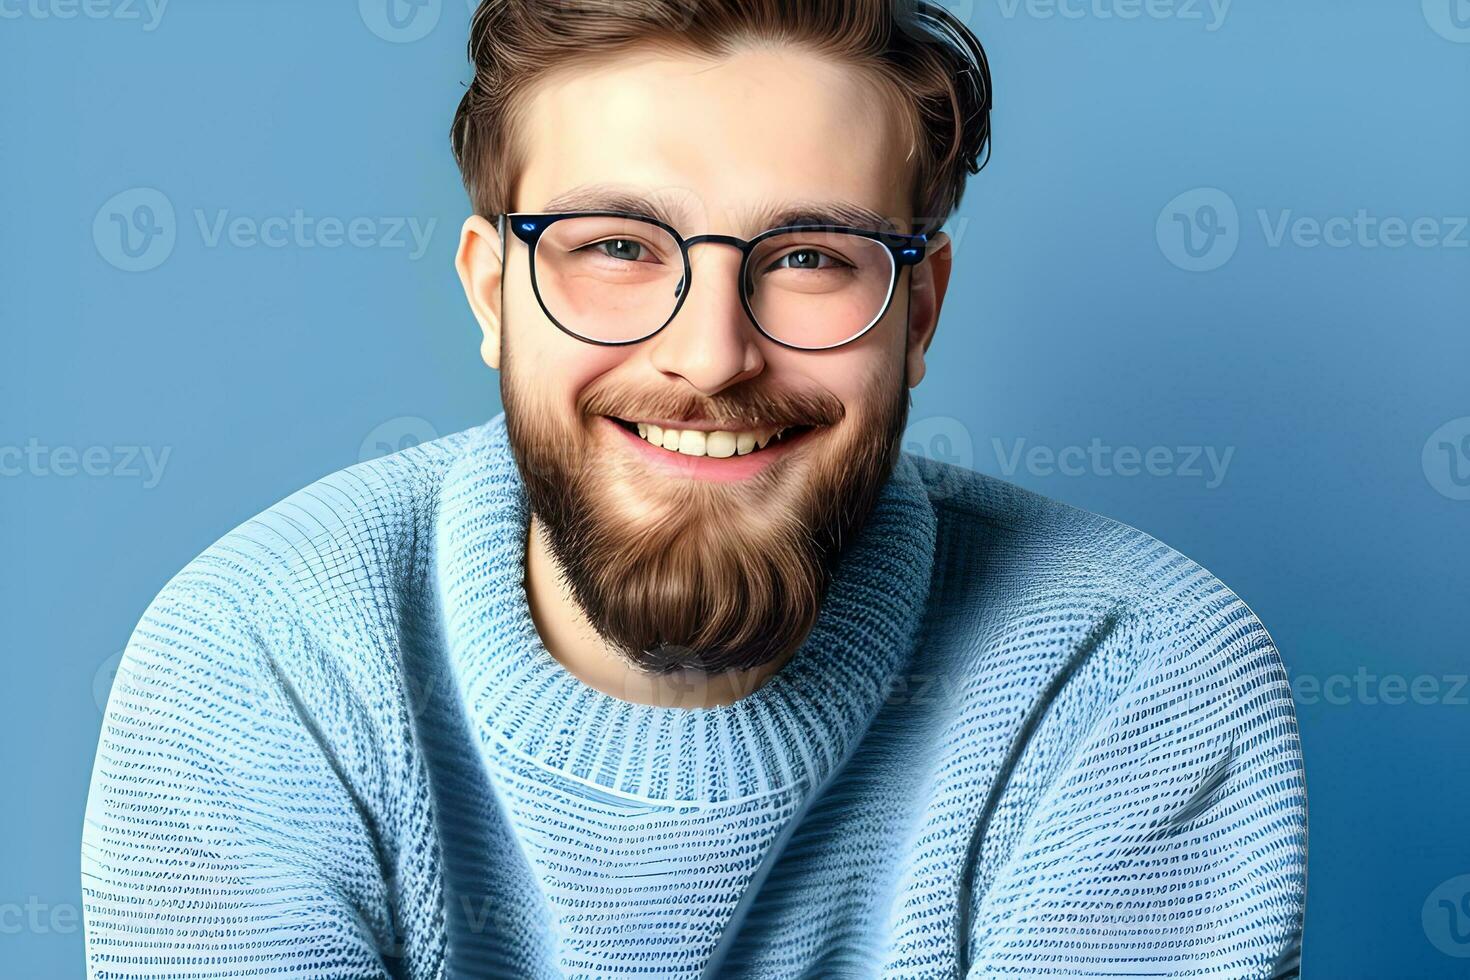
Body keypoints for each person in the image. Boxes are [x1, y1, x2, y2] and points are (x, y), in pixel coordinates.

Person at [80, 2, 1307, 977]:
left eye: (810, 257)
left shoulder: (1134, 681)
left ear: (918, 315)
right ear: (490, 292)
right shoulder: (260, 662)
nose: (712, 353)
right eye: (616, 245)